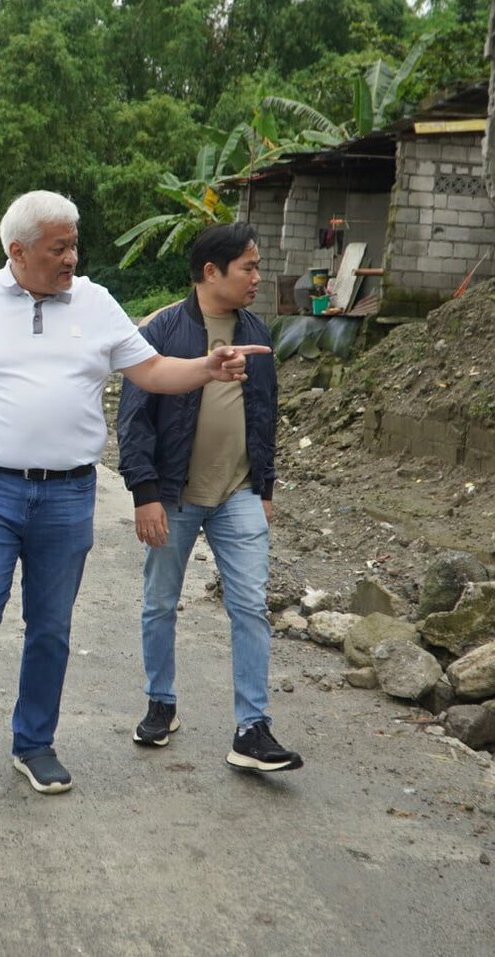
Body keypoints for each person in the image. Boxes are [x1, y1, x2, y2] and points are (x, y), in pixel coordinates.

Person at [0, 191, 271, 796]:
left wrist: (207, 368)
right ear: (18, 251)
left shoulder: (96, 302)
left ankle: (34, 742)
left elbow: (151, 371)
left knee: (51, 625)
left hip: (68, 494)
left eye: (74, 246)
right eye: (59, 248)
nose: (72, 259)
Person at [117, 223, 302, 774]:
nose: (258, 277)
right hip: (174, 495)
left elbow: (265, 414)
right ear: (210, 272)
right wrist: (145, 494)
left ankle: (252, 728)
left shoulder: (257, 333)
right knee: (160, 602)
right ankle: (161, 703)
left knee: (250, 605)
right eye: (249, 267)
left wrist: (264, 488)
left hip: (238, 493)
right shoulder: (163, 331)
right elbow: (134, 420)